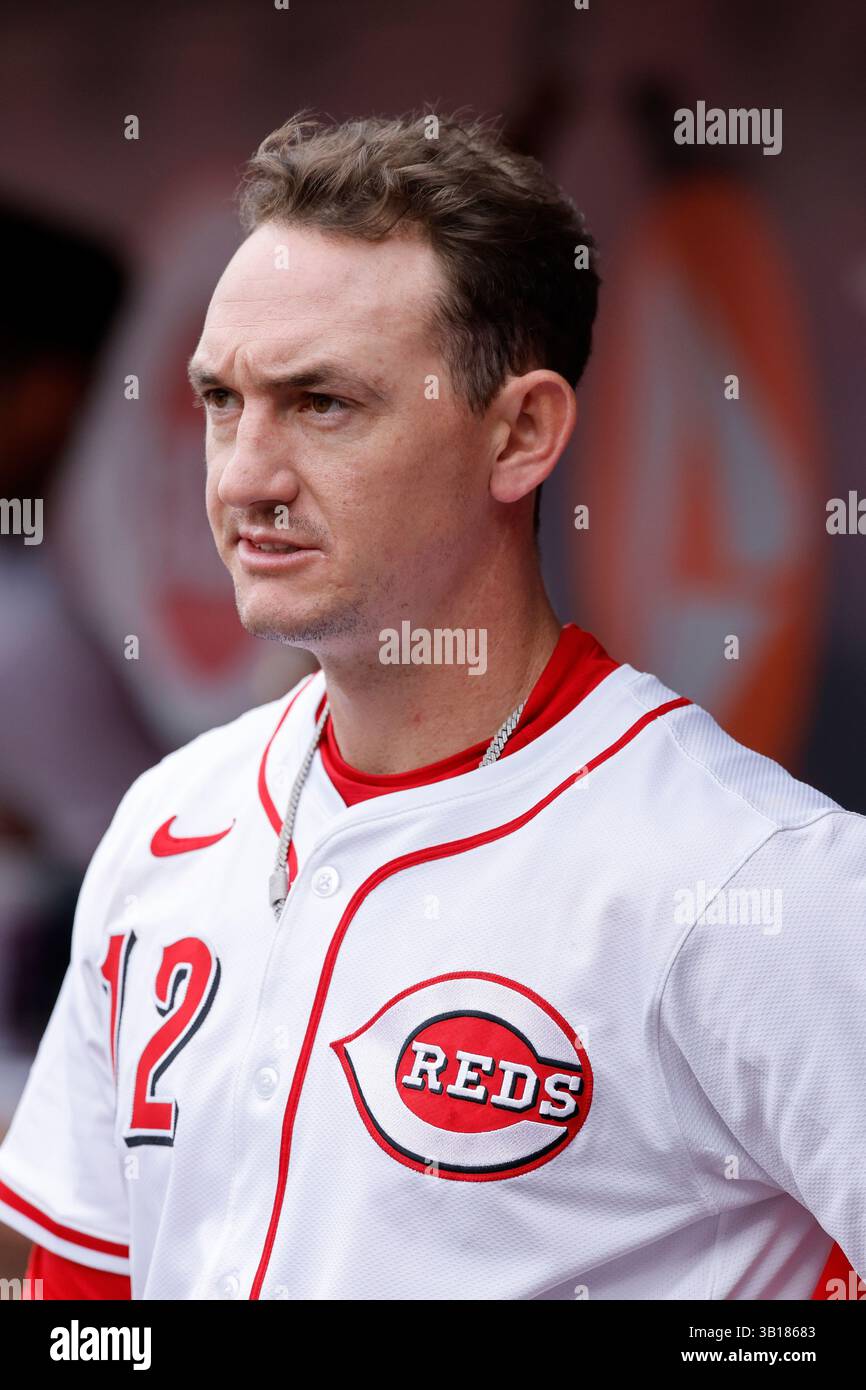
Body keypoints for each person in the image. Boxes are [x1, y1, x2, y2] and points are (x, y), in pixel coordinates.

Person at [1, 111, 864, 1301]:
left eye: (320, 404)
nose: (244, 473)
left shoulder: (759, 879)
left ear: (519, 434)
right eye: (219, 401)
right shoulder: (170, 817)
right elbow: (80, 1292)